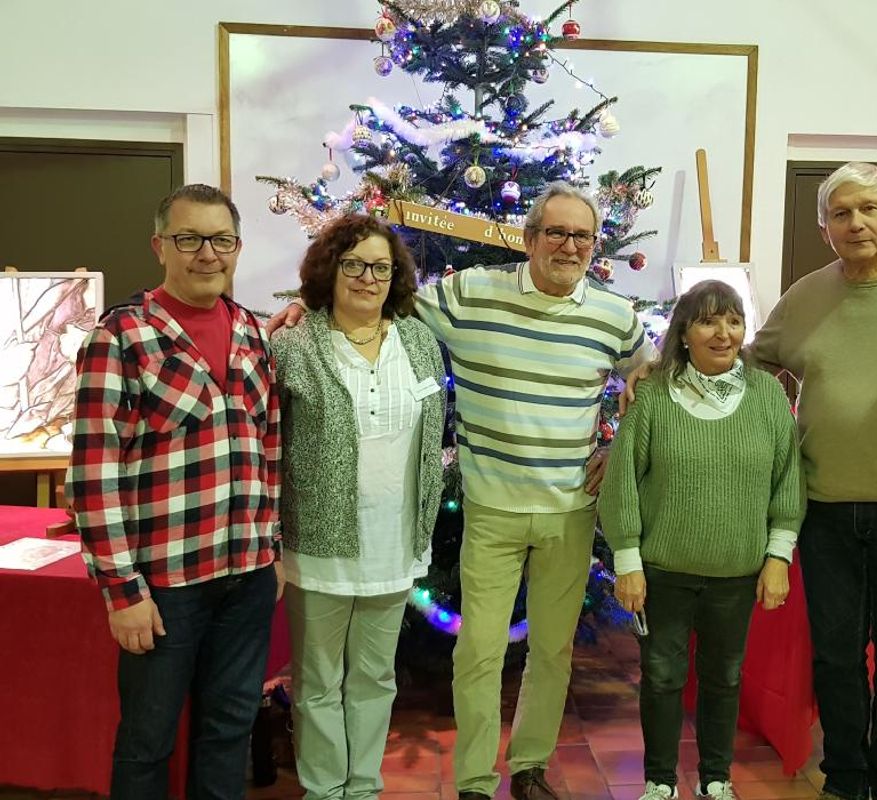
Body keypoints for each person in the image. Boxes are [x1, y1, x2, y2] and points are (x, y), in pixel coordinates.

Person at [269, 181, 657, 800]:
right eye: (554, 232)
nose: (568, 245)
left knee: (552, 652)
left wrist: (620, 445)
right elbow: (381, 302)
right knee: (477, 653)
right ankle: (475, 780)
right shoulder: (471, 293)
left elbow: (653, 378)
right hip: (492, 507)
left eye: (581, 235)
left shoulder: (614, 316)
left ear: (594, 245)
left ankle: (529, 768)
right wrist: (307, 313)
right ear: (529, 239)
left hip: (571, 510)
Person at [620, 161, 877, 800]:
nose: (856, 223)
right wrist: (656, 364)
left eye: (870, 209)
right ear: (824, 228)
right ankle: (844, 777)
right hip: (824, 510)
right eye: (841, 213)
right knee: (837, 658)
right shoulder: (807, 296)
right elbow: (737, 356)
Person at [66, 183, 282, 799]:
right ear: (161, 245)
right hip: (163, 590)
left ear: (237, 248)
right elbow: (92, 473)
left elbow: (271, 448)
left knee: (227, 733)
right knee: (147, 742)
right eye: (189, 239)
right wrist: (121, 590)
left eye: (220, 240)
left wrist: (274, 549)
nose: (206, 254)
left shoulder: (252, 332)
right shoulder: (123, 337)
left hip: (245, 577)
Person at [598, 280, 802, 800]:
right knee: (662, 677)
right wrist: (627, 561)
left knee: (724, 679)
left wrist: (777, 557)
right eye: (709, 320)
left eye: (733, 321)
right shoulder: (653, 396)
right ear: (684, 332)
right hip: (662, 572)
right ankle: (660, 780)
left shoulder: (767, 395)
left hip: (736, 574)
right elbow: (622, 484)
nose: (724, 332)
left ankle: (716, 777)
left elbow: (787, 482)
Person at [272, 215, 446, 800]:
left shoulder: (418, 341)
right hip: (318, 544)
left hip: (395, 543)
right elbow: (270, 447)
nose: (368, 278)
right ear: (330, 270)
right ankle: (324, 790)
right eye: (353, 265)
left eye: (380, 267)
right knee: (319, 680)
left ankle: (363, 787)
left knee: (374, 677)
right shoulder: (293, 346)